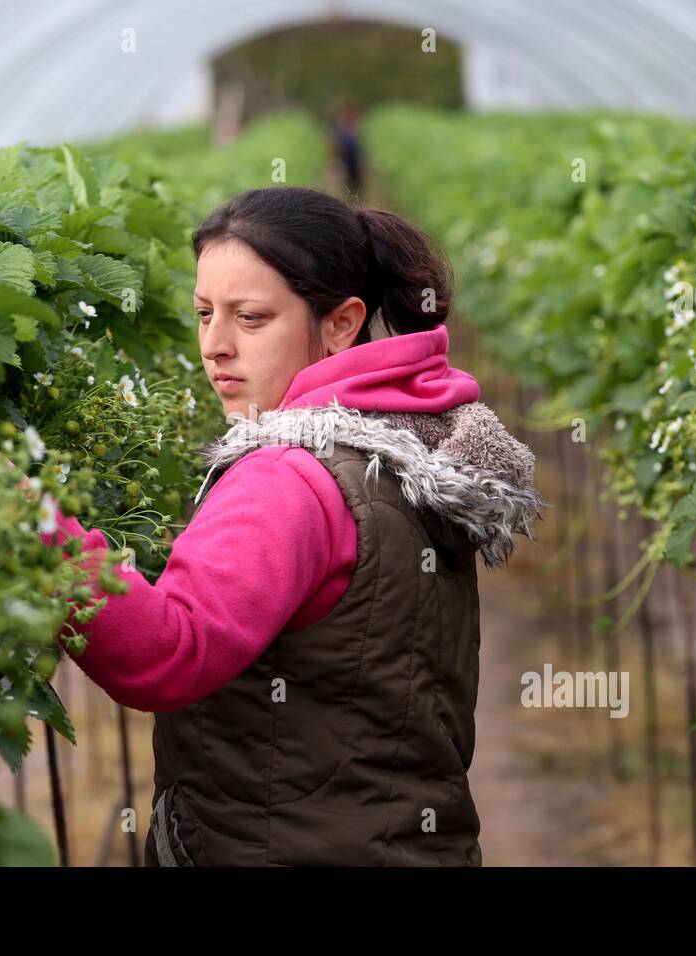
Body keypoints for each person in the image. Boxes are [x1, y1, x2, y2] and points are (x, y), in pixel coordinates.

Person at [44, 185, 543, 865]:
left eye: (250, 318)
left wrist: (37, 527)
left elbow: (167, 653)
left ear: (341, 323)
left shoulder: (289, 477)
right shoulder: (405, 439)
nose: (215, 346)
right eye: (203, 314)